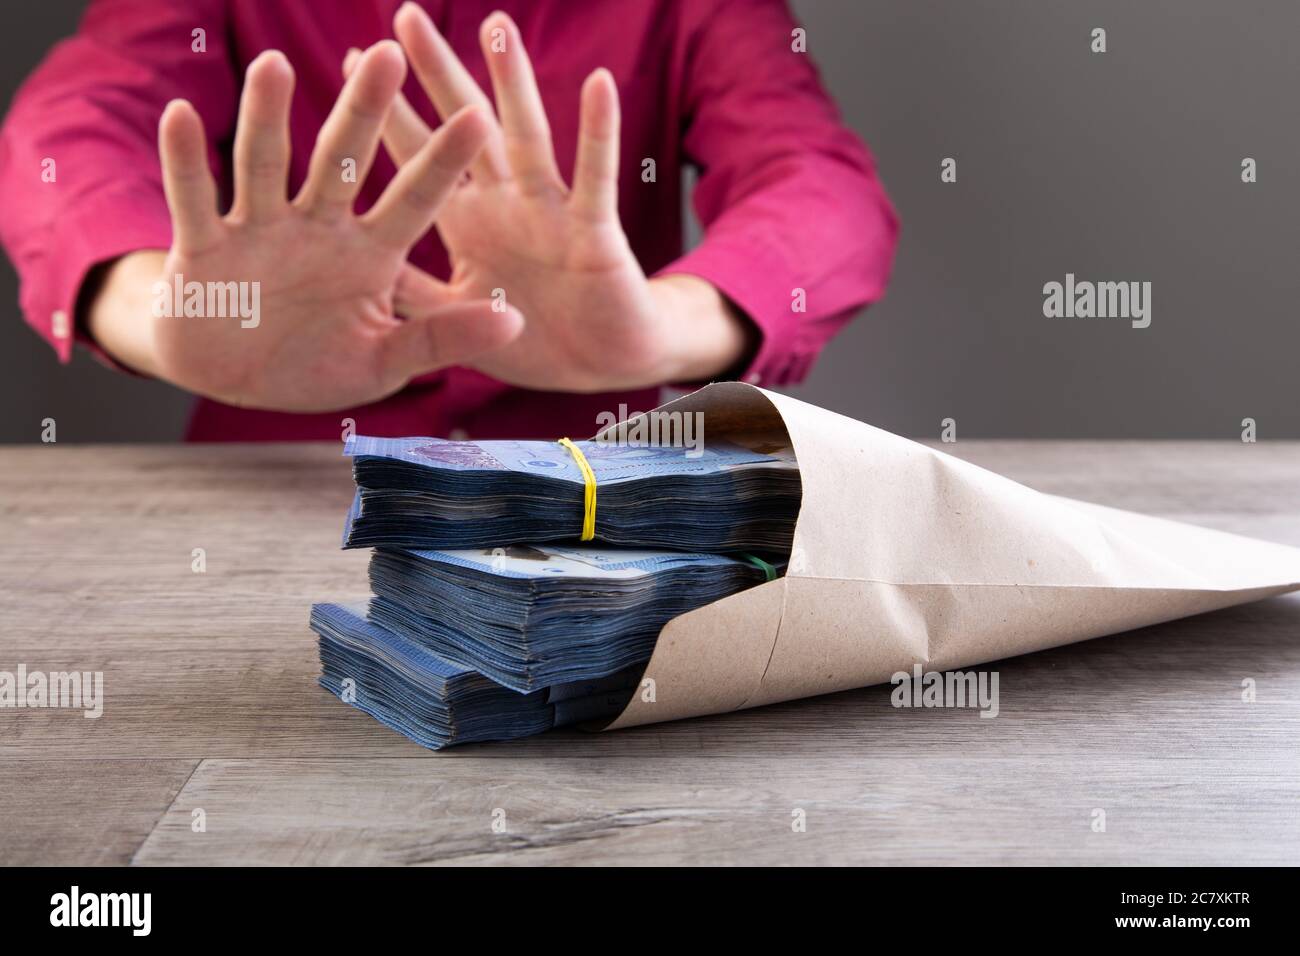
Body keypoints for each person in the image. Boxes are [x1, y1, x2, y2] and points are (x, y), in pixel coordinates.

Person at [0, 0, 898, 441]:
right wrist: (165, 310)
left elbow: (820, 181)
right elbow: (65, 136)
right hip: (268, 499)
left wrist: (666, 328)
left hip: (589, 508)